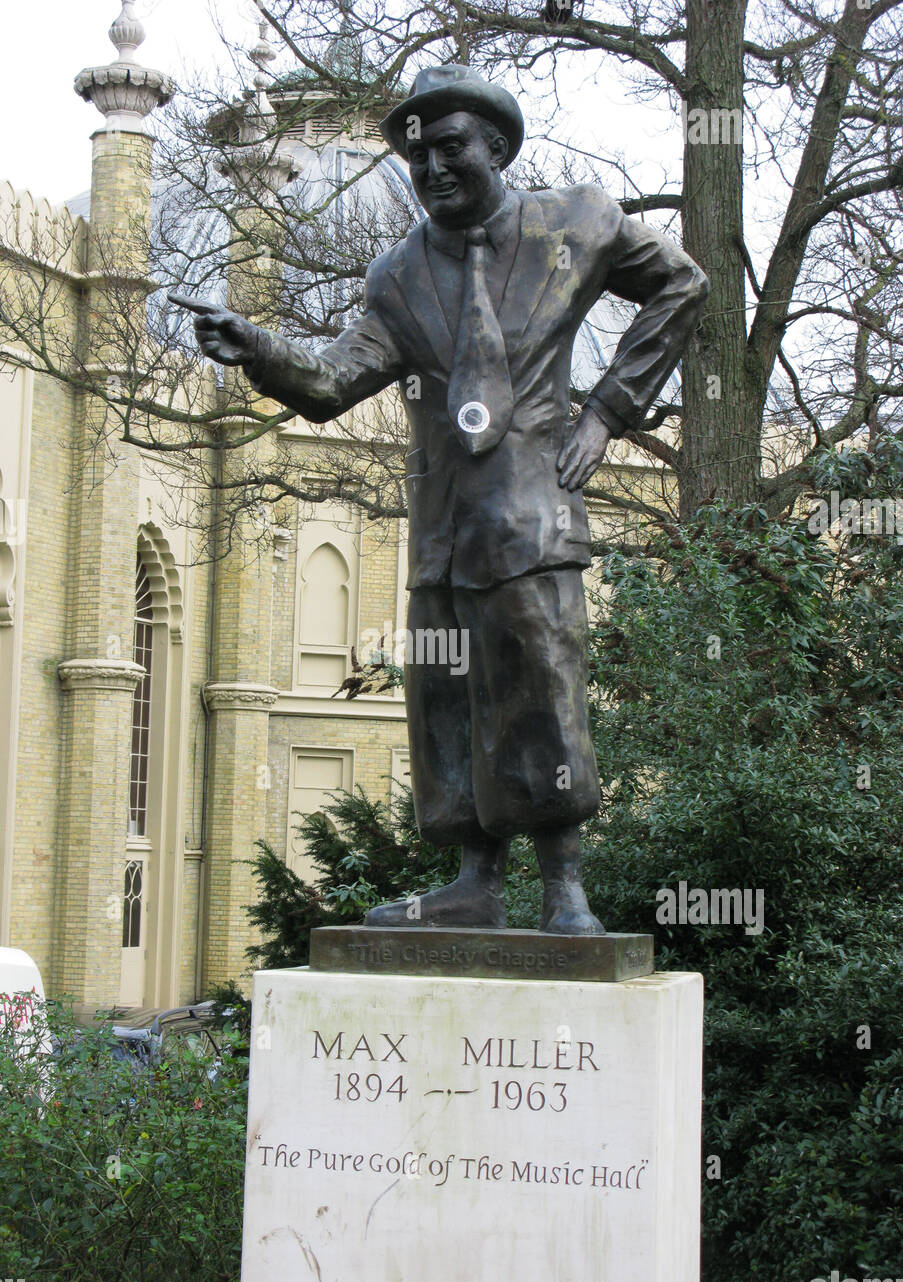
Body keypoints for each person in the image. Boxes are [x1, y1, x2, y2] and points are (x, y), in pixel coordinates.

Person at [172, 65, 708, 935]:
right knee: (445, 702)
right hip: (442, 529)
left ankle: (562, 889)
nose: (432, 169)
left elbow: (680, 284)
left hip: (531, 517)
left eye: (450, 147)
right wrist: (260, 347)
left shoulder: (572, 222)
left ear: (496, 146)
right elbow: (335, 380)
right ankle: (473, 881)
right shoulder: (398, 272)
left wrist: (607, 414)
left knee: (538, 684)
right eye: (417, 156)